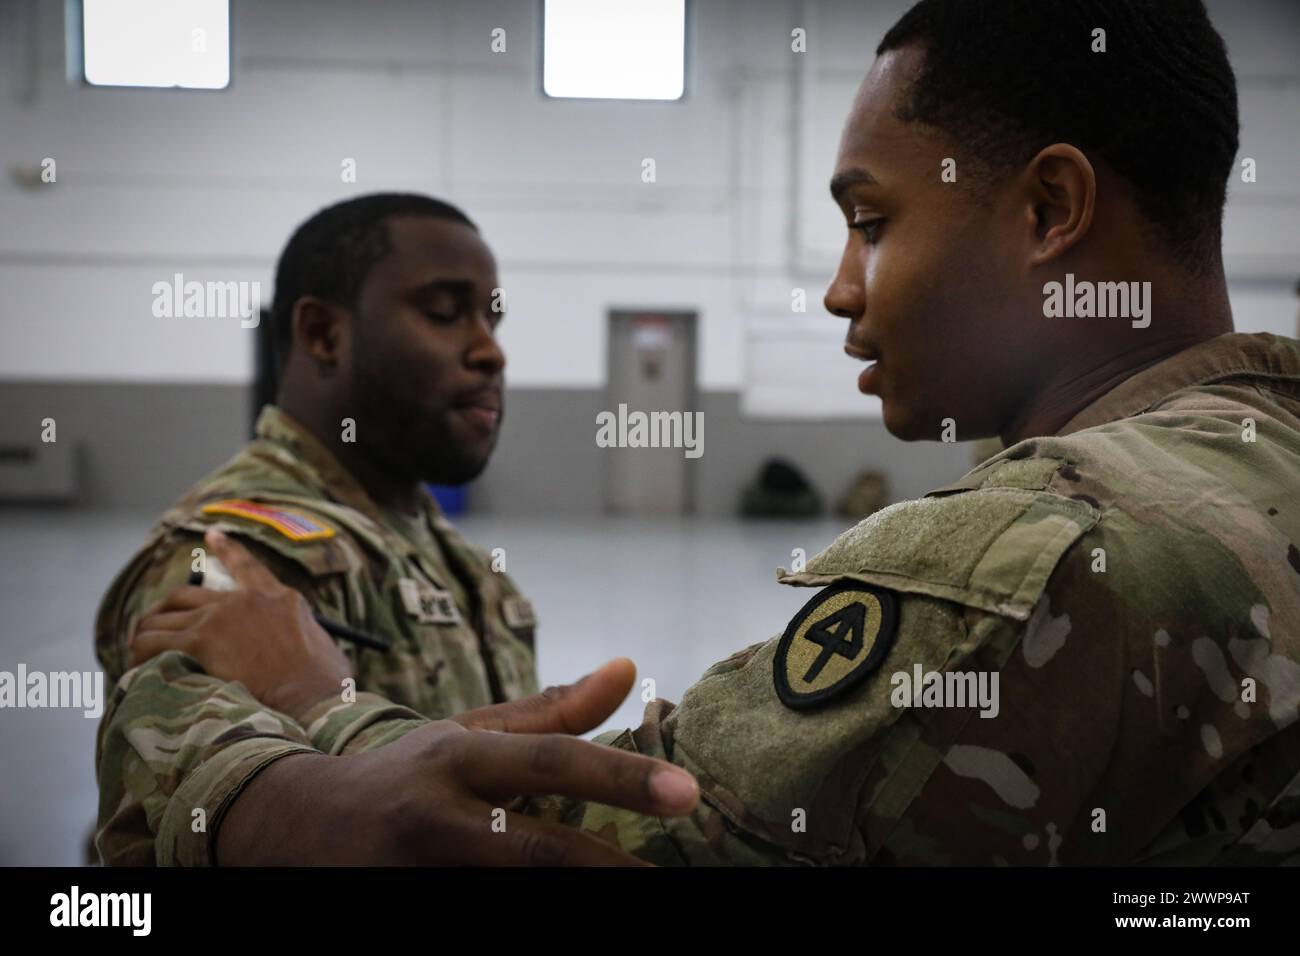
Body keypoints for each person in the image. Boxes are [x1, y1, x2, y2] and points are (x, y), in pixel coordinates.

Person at [131, 0, 1300, 865]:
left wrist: (320, 711)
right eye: (446, 314)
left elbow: (638, 841)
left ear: (1049, 210)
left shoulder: (1044, 549)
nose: (841, 289)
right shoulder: (1265, 456)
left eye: (871, 222)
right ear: (320, 334)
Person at [94, 194, 700, 866]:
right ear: (324, 333)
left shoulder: (449, 552)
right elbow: (168, 812)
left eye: (492, 319)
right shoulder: (234, 559)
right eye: (444, 314)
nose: (490, 351)